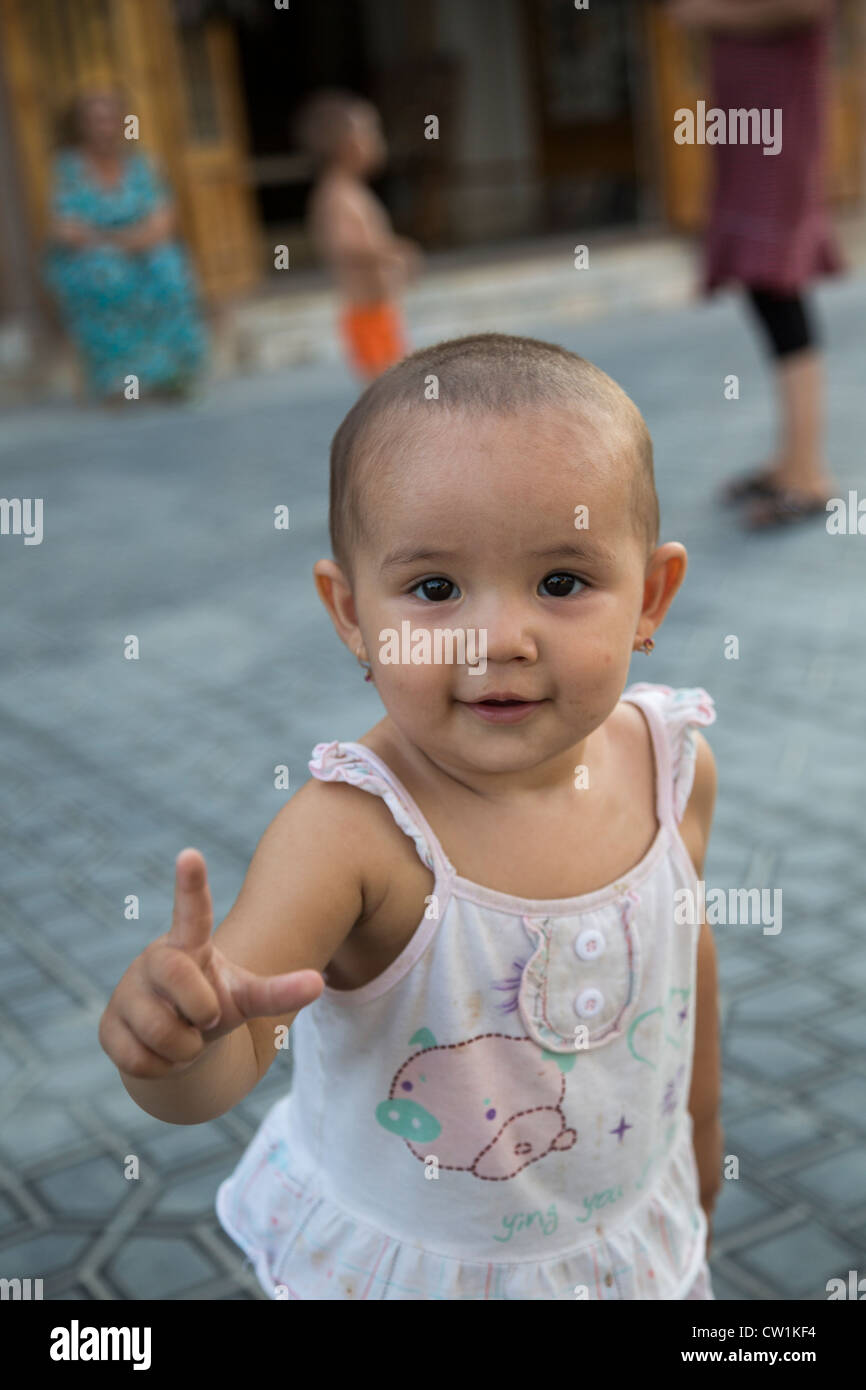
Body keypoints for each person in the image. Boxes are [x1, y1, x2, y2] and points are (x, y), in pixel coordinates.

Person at [99, 333, 723, 1301]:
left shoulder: (667, 763)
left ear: (649, 596)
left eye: (561, 582)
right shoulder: (353, 836)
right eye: (435, 589)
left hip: (626, 1234)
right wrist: (175, 1044)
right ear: (351, 615)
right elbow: (226, 1058)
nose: (500, 638)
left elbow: (686, 957)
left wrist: (701, 1132)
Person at [668, 0, 843, 528]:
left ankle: (809, 473)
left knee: (777, 288)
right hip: (750, 128)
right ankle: (792, 460)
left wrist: (709, 14)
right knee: (766, 291)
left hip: (779, 129)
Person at [44, 86, 207, 402]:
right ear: (82, 126)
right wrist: (113, 242)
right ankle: (120, 382)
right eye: (95, 120)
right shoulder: (68, 168)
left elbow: (162, 220)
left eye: (110, 119)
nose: (104, 127)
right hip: (91, 255)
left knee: (169, 269)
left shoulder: (143, 164)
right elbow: (65, 228)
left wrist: (120, 239)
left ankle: (172, 375)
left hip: (138, 247)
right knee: (105, 274)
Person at [296, 89, 422, 381]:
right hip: (366, 313)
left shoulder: (353, 191)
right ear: (349, 146)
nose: (379, 142)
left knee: (394, 381)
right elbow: (345, 246)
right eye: (372, 133)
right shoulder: (337, 195)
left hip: (379, 309)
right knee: (383, 385)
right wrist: (394, 250)